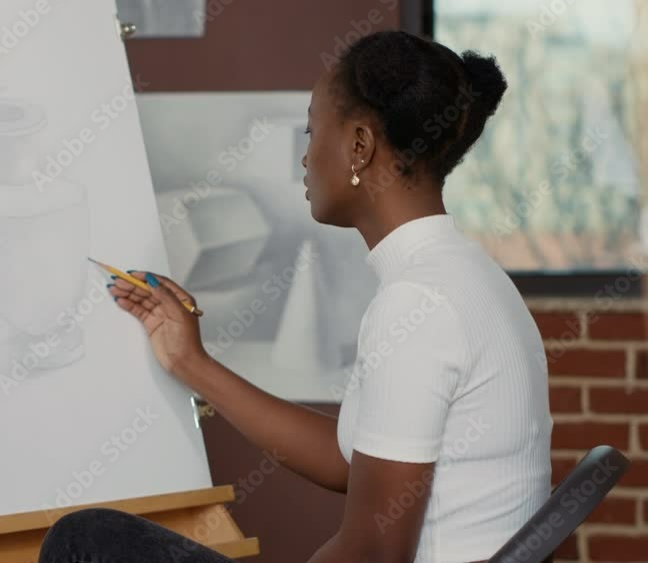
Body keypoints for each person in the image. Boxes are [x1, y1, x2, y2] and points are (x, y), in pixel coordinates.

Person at [38, 30, 552, 563]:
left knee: (85, 541)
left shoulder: (419, 305)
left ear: (360, 146)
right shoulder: (470, 280)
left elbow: (375, 551)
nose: (304, 159)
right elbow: (347, 462)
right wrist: (192, 363)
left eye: (312, 132)